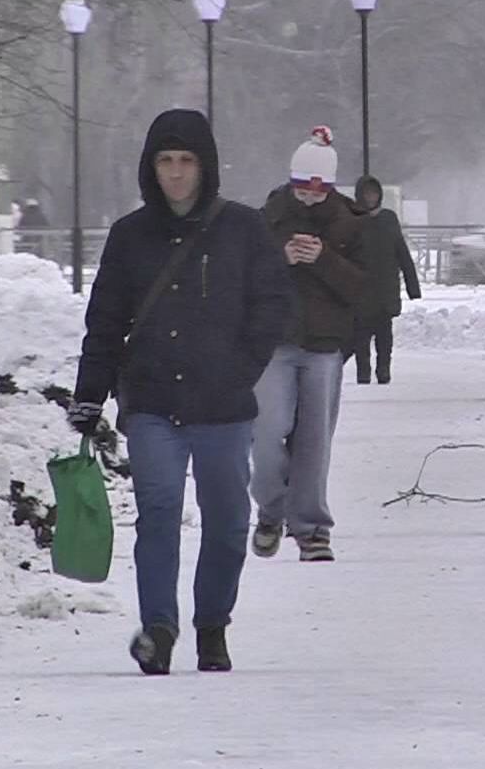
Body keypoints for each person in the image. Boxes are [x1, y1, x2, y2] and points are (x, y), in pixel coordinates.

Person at [67, 108, 292, 675]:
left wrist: (241, 367)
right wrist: (90, 393)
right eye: (165, 161)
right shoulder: (129, 236)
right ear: (150, 167)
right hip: (151, 400)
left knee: (226, 520)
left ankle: (212, 625)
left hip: (222, 403)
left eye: (186, 160)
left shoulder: (242, 230)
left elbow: (271, 306)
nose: (175, 173)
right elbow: (106, 320)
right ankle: (160, 628)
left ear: (205, 165)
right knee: (159, 513)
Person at [251, 127, 369, 562]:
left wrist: (323, 260)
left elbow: (364, 288)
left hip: (325, 344)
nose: (310, 198)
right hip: (275, 342)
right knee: (266, 430)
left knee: (314, 440)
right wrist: (281, 259)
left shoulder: (352, 223)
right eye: (303, 188)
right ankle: (270, 507)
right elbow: (246, 279)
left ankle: (312, 527)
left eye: (318, 190)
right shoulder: (266, 218)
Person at [350, 175, 423, 385]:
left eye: (374, 193)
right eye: (366, 194)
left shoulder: (388, 219)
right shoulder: (353, 219)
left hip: (385, 289)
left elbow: (402, 252)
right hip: (360, 289)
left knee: (384, 334)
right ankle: (363, 373)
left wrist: (413, 287)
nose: (370, 198)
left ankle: (384, 370)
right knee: (361, 337)